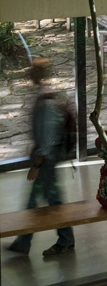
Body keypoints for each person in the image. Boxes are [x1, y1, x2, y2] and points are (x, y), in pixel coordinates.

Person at [6, 59, 75, 258]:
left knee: (52, 201)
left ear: (40, 74)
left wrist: (37, 163)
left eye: (34, 71)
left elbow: (48, 136)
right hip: (46, 159)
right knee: (37, 201)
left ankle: (65, 240)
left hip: (47, 160)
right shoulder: (42, 95)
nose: (30, 75)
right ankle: (24, 241)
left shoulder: (45, 100)